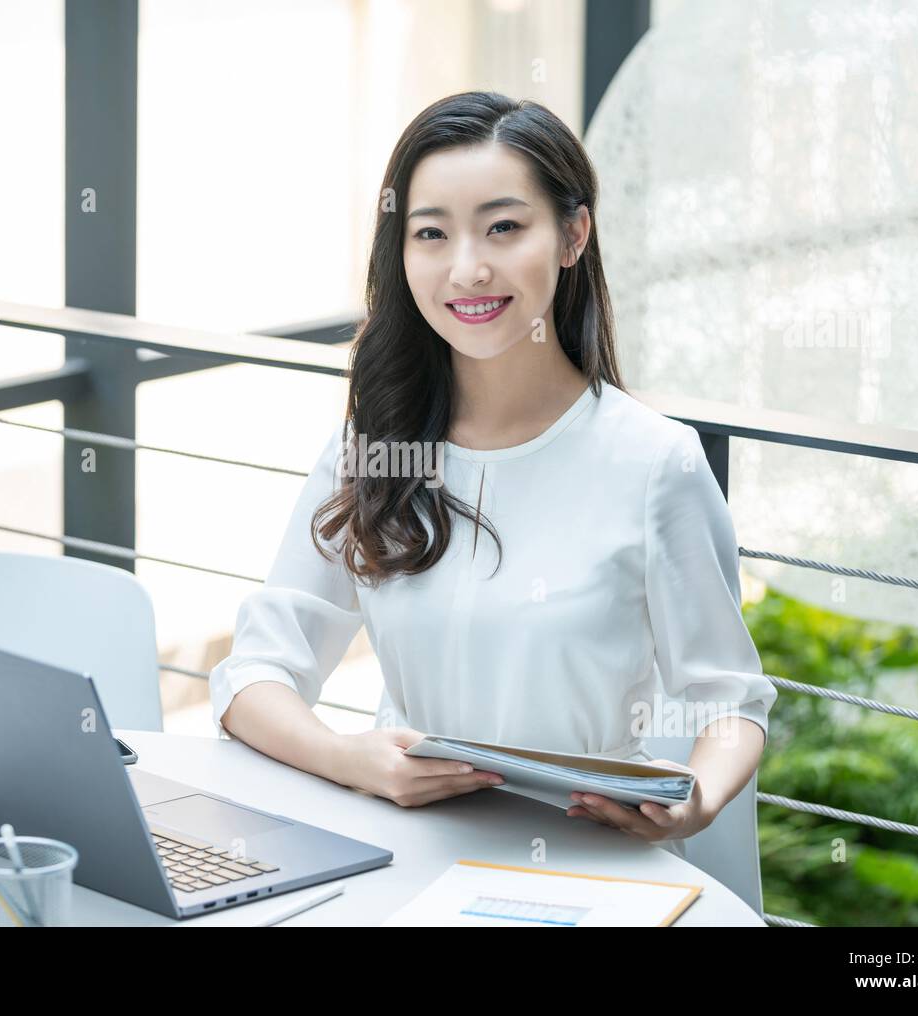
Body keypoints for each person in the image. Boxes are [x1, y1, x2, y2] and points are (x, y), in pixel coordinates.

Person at [210, 91, 776, 860]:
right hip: (405, 856)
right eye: (431, 234)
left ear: (574, 234)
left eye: (504, 228)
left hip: (593, 862)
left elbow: (731, 702)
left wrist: (694, 804)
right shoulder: (374, 449)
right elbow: (253, 679)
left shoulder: (654, 463)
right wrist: (353, 761)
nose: (467, 269)